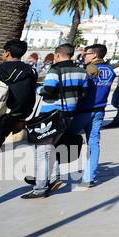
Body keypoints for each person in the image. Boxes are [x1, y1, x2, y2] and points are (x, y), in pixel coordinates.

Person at [24, 43, 87, 199]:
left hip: (51, 115)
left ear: (58, 55)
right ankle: (53, 177)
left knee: (43, 151)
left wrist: (37, 89)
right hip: (69, 114)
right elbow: (84, 92)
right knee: (54, 147)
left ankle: (40, 188)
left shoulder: (55, 70)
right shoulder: (82, 72)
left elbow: (49, 91)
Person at [0, 39, 38, 207]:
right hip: (15, 117)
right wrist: (22, 118)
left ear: (7, 53)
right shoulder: (31, 71)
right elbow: (31, 97)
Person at [71, 45, 115, 190]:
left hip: (83, 110)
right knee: (94, 144)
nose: (84, 56)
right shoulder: (110, 70)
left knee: (62, 138)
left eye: (86, 54)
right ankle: (89, 177)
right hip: (99, 110)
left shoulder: (88, 70)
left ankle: (51, 175)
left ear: (95, 55)